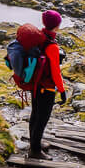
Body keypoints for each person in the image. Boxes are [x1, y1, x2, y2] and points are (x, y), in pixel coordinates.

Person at [28, 9, 66, 159]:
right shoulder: (52, 46)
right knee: (42, 118)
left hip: (35, 85)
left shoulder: (39, 37)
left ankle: (35, 143)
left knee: (35, 114)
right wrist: (62, 90)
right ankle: (35, 151)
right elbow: (56, 72)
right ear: (55, 25)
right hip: (46, 87)